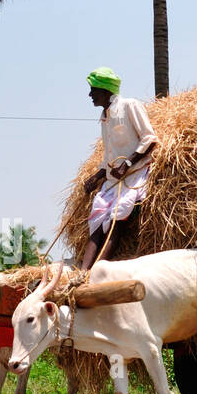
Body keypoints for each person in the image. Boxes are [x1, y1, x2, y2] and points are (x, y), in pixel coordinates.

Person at [81, 67, 157, 271]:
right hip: (115, 180)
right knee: (97, 218)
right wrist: (96, 177)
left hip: (135, 174)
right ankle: (83, 273)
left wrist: (128, 164)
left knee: (117, 217)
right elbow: (108, 157)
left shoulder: (130, 106)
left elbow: (149, 139)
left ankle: (98, 269)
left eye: (93, 90)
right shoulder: (105, 118)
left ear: (105, 91)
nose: (90, 95)